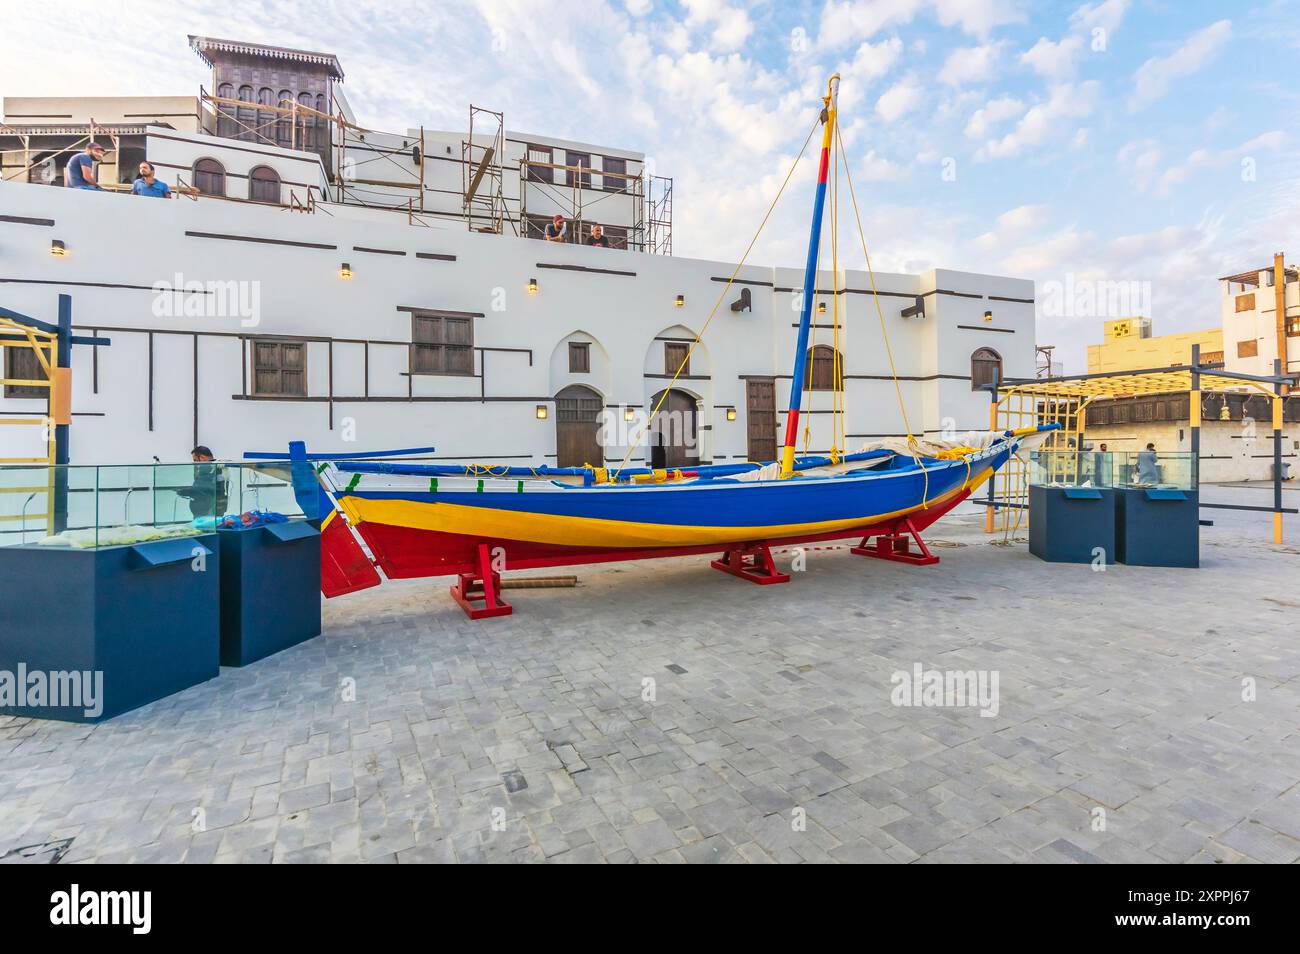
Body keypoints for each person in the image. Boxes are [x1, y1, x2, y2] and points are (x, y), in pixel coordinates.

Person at [177, 445, 228, 519]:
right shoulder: (209, 470)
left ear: (202, 458)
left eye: (195, 460)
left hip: (208, 513)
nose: (195, 463)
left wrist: (186, 491)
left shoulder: (212, 470)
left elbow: (204, 490)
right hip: (203, 512)